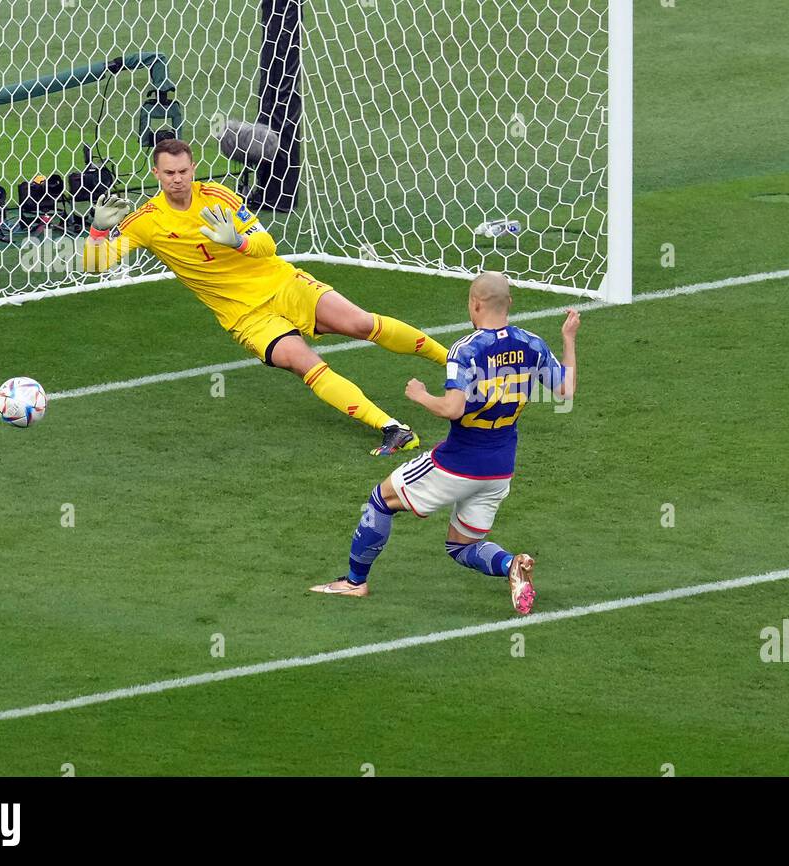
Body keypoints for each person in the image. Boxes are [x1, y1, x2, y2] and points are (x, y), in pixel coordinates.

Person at [83, 138, 446, 455]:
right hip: (246, 318)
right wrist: (99, 230)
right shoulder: (146, 220)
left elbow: (267, 243)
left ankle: (453, 360)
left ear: (193, 168)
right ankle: (393, 429)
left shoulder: (219, 197)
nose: (177, 179)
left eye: (183, 171)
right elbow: (95, 266)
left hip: (283, 284)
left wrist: (237, 241)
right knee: (306, 364)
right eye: (169, 173)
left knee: (362, 323)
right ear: (156, 174)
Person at [311, 271, 581, 613]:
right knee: (462, 546)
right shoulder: (532, 343)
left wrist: (421, 396)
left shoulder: (467, 350)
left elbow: (453, 409)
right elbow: (565, 390)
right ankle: (512, 565)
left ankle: (353, 583)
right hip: (500, 470)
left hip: (458, 462)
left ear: (475, 304)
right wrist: (568, 338)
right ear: (509, 303)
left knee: (381, 500)